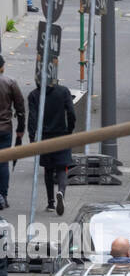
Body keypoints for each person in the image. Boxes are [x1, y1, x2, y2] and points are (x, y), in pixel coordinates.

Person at [27, 73, 76, 214]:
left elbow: (32, 118)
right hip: (62, 134)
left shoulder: (34, 95)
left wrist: (32, 138)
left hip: (45, 137)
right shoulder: (64, 91)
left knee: (48, 170)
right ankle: (61, 191)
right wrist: (69, 129)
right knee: (62, 168)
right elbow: (71, 113)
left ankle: (50, 203)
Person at [0, 56, 24, 210]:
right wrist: (21, 129)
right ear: (2, 67)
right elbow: (20, 108)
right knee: (3, 163)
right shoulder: (10, 82)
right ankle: (3, 196)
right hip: (4, 129)